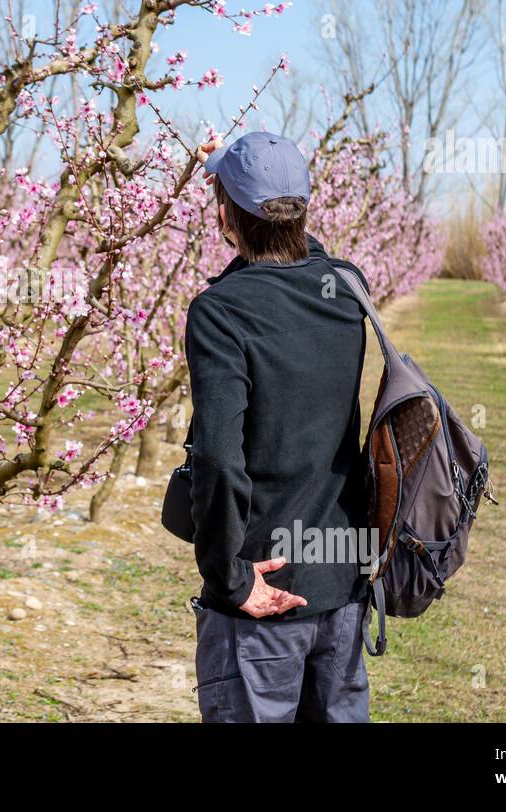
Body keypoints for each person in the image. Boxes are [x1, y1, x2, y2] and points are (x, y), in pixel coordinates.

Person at [185, 131, 372, 723]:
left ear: (223, 215)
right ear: (303, 211)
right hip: (342, 580)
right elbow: (305, 258)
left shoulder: (221, 311)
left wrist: (230, 578)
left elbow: (217, 456)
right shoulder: (346, 288)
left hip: (263, 595)